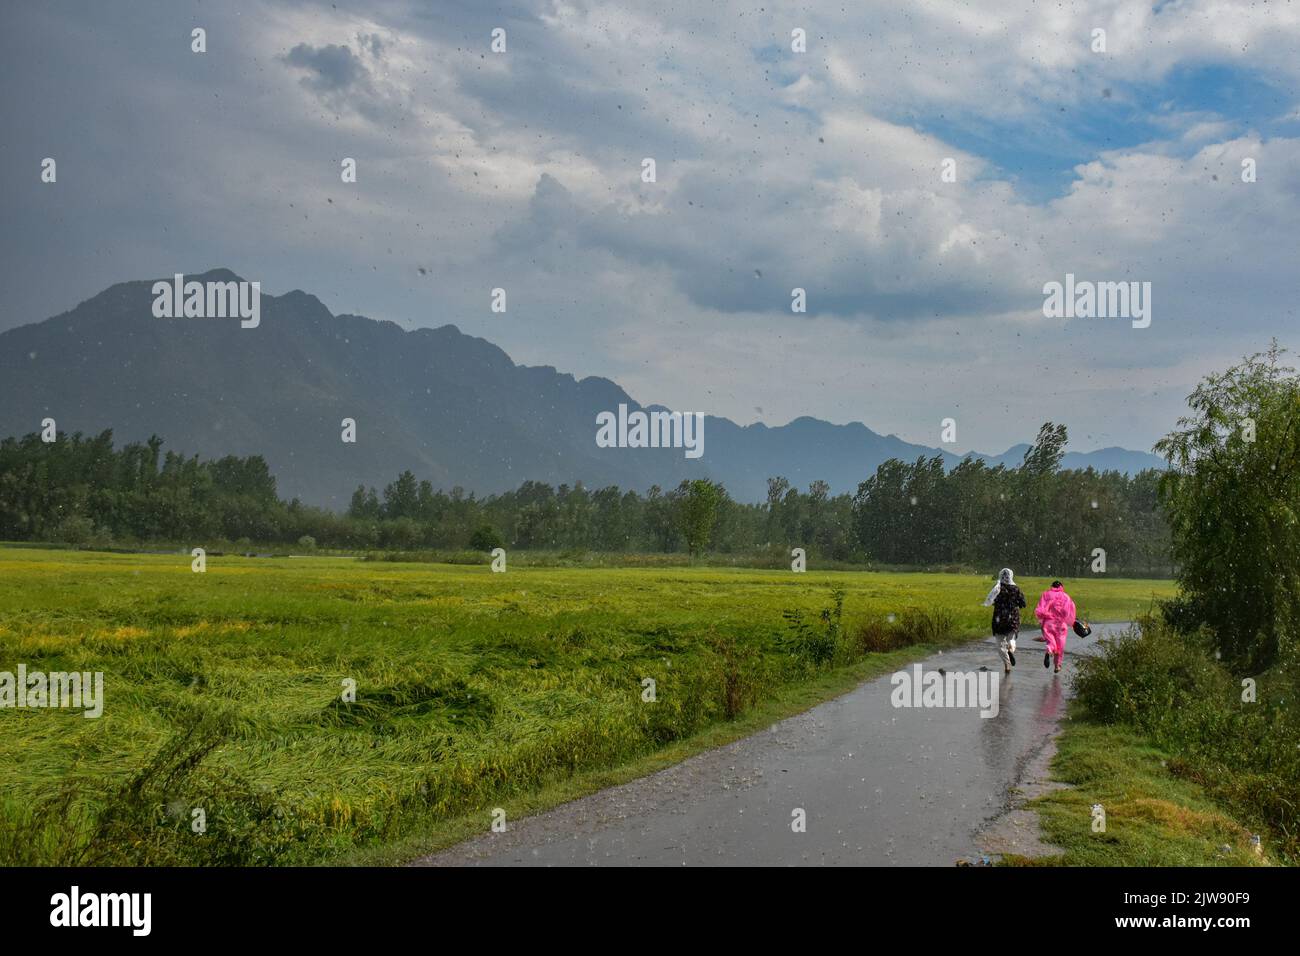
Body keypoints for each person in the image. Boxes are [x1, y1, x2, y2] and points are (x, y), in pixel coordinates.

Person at [982, 568, 1026, 674]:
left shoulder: (997, 588)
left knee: (1000, 643)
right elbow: (1023, 603)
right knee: (1011, 639)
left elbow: (992, 600)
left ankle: (1007, 665)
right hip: (1013, 619)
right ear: (1011, 576)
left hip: (999, 619)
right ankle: (1011, 650)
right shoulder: (1016, 589)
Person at [1035, 580, 1077, 674]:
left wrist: (1043, 618)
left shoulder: (1046, 595)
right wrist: (1069, 621)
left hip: (1048, 623)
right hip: (1061, 625)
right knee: (1060, 646)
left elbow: (1040, 609)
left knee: (1051, 642)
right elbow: (1069, 611)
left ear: (1052, 586)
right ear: (1061, 587)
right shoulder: (1066, 596)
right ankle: (1057, 666)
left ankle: (1049, 650)